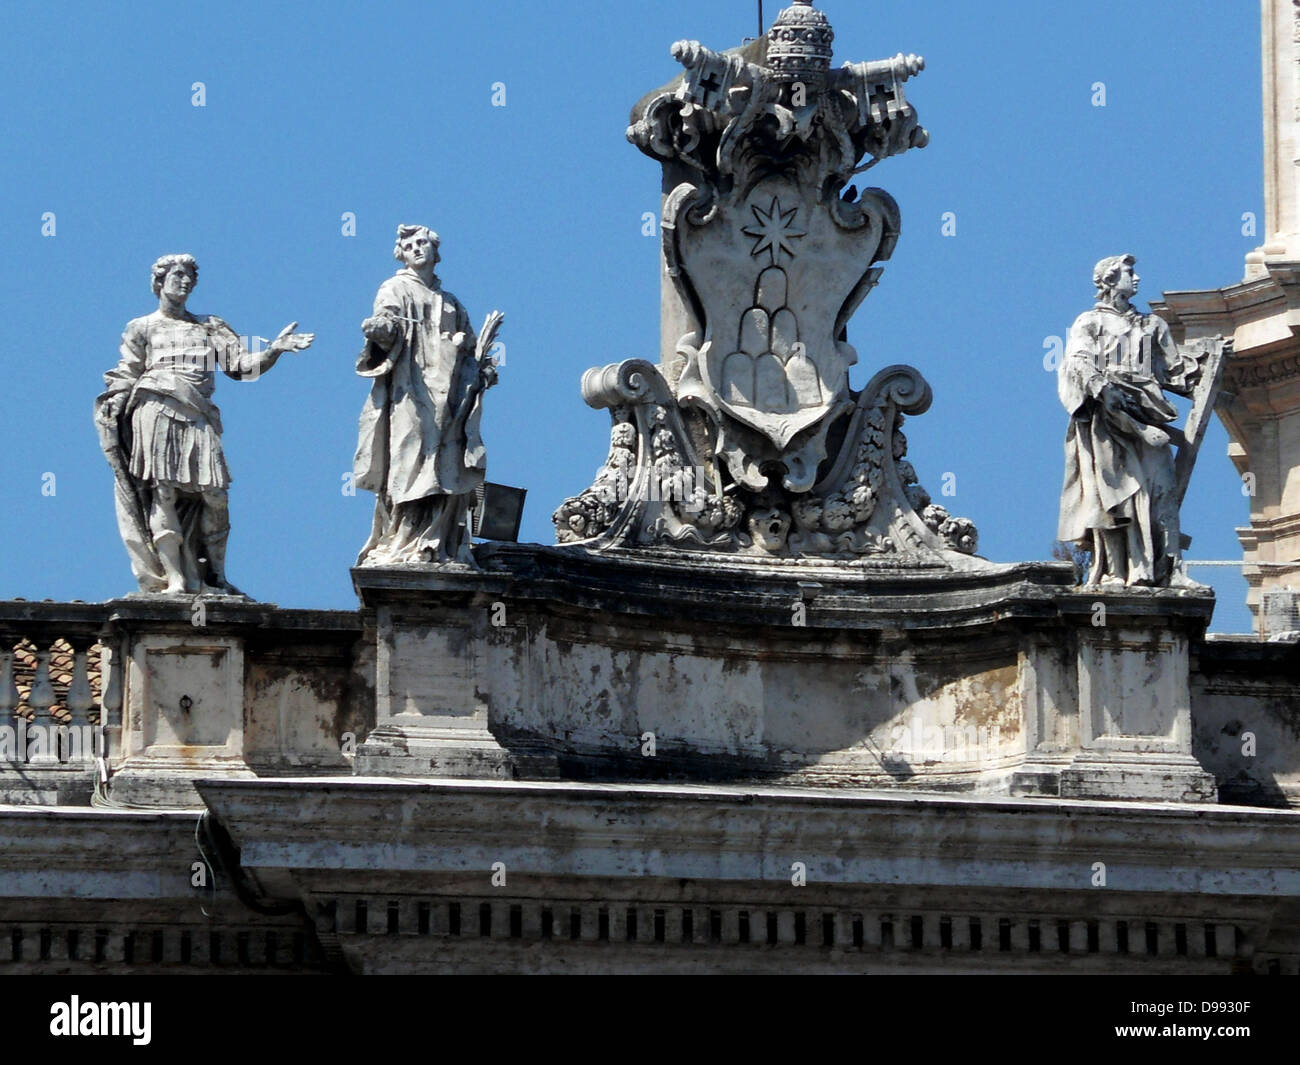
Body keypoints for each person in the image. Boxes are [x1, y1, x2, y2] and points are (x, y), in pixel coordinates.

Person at [95, 254, 314, 594]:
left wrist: (274, 350)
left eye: (190, 277)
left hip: (198, 415)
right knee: (163, 492)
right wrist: (114, 405)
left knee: (215, 495)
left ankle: (214, 576)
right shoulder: (142, 327)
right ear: (159, 281)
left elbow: (241, 367)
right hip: (156, 408)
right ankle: (176, 579)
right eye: (177, 275)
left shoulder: (209, 326)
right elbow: (127, 373)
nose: (185, 282)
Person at [353, 225, 500, 565]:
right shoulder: (394, 288)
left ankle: (437, 540)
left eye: (423, 243)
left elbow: (472, 349)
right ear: (401, 255)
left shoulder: (451, 302)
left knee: (447, 461)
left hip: (449, 397)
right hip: (410, 390)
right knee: (408, 454)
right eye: (409, 246)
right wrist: (381, 330)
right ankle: (402, 538)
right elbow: (386, 323)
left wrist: (481, 370)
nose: (417, 249)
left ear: (435, 251)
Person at [1056, 254, 1201, 587]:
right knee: (1113, 497)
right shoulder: (1090, 322)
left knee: (1162, 489)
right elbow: (1077, 362)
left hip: (1149, 414)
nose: (1136, 279)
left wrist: (1213, 361)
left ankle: (1170, 569)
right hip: (1106, 421)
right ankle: (1117, 572)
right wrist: (1102, 386)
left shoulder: (1153, 325)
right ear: (1109, 280)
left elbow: (1177, 373)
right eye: (1129, 272)